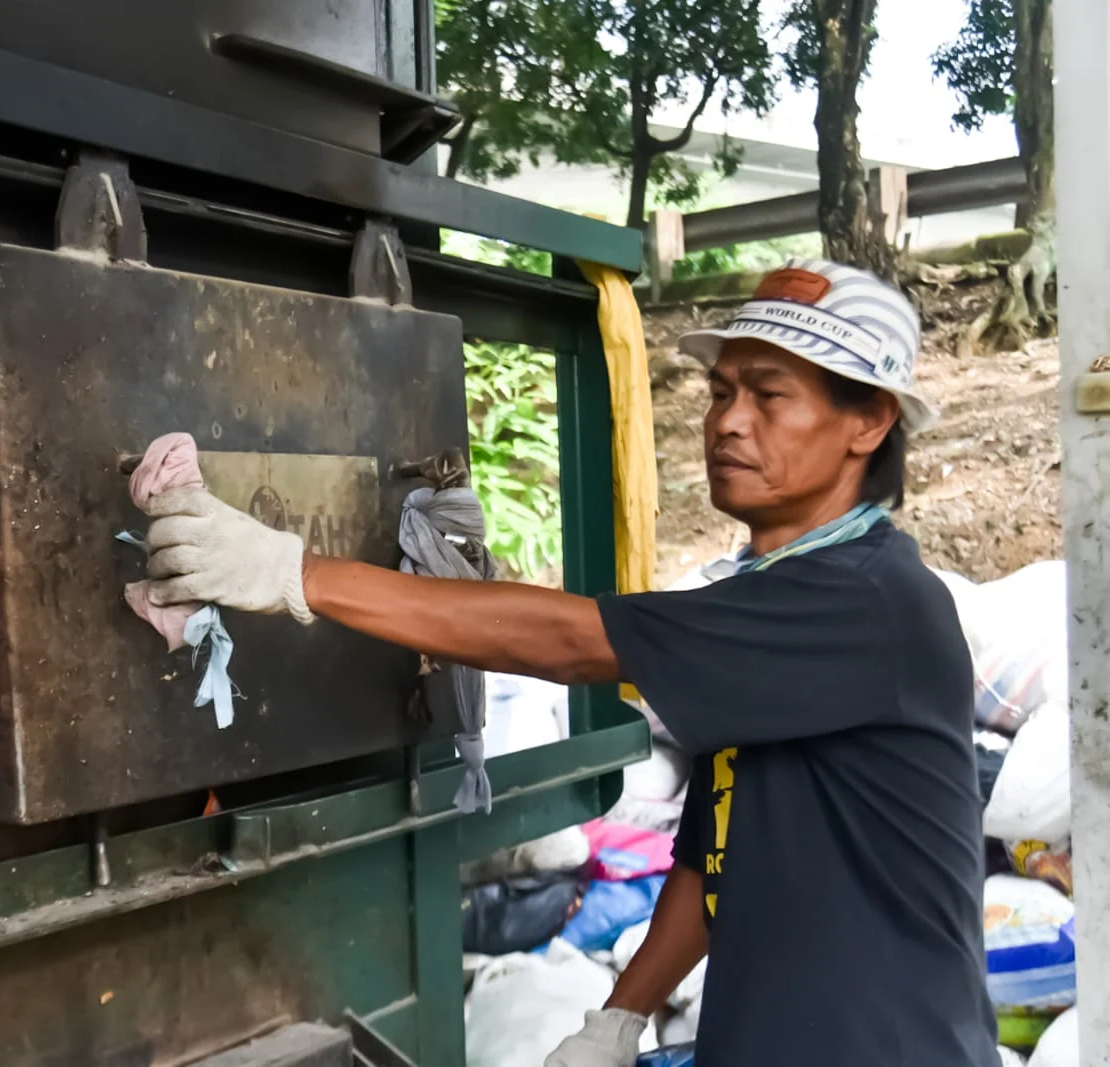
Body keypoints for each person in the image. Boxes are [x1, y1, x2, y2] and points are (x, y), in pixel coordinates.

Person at [141, 259, 998, 1067]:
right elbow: (715, 856)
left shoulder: (869, 601)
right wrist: (619, 1017)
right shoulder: (771, 600)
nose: (728, 421)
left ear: (869, 421)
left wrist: (295, 573)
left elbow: (576, 639)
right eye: (722, 391)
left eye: (770, 395)